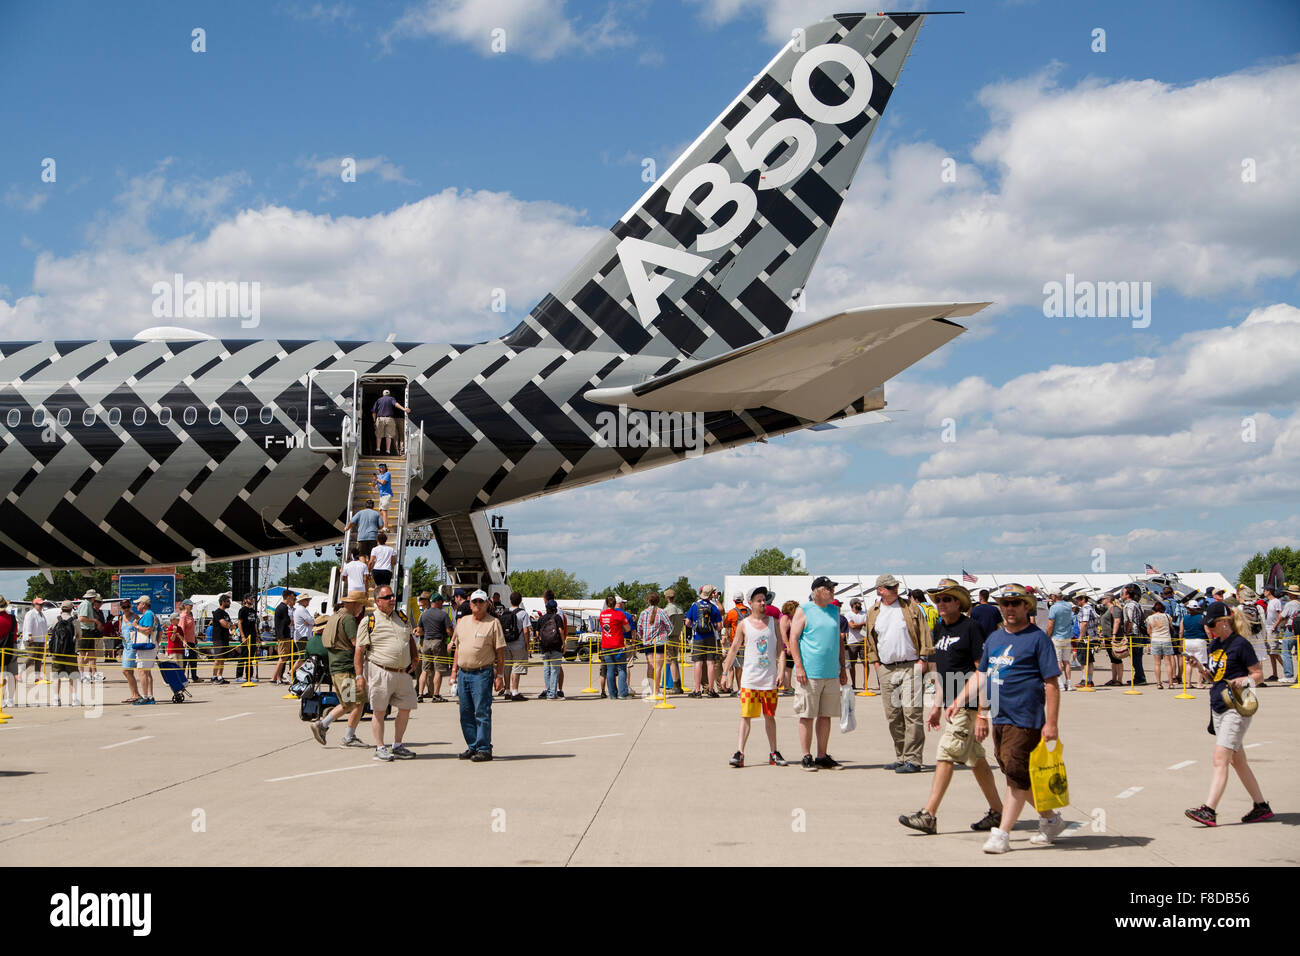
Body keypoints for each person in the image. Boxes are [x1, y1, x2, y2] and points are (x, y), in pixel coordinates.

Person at [948, 584, 1063, 854]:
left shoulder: (1038, 639)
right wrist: (963, 702)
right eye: (1006, 604)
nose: (1010, 608)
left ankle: (1002, 834)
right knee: (1017, 773)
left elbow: (1051, 683)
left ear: (1026, 607)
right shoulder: (995, 639)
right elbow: (982, 676)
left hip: (1026, 717)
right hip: (1000, 715)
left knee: (1014, 776)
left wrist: (1052, 722)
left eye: (1015, 603)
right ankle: (1050, 819)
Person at [899, 579, 1002, 835]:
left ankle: (929, 815)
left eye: (947, 599)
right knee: (976, 760)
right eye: (938, 600)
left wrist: (982, 713)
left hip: (968, 706)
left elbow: (983, 671)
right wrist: (936, 705)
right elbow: (943, 672)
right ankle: (999, 812)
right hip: (952, 705)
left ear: (958, 602)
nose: (941, 604)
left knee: (945, 753)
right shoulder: (940, 629)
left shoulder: (972, 628)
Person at [1184, 602, 1273, 826]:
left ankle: (1209, 810)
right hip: (1218, 706)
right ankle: (1261, 807)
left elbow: (1258, 674)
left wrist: (1244, 680)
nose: (1210, 629)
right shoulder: (1215, 644)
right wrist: (1198, 667)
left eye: (1213, 624)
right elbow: (1213, 677)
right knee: (1238, 761)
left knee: (1220, 758)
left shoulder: (1241, 644)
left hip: (1237, 708)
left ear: (1224, 622)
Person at [862, 573, 933, 773]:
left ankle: (914, 759)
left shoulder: (910, 608)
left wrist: (923, 660)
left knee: (912, 713)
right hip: (886, 668)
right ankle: (901, 757)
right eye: (890, 587)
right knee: (893, 715)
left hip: (910, 665)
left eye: (896, 586)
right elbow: (870, 639)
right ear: (880, 590)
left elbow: (924, 633)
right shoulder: (874, 612)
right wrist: (875, 663)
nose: (895, 589)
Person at [720, 586, 787, 767]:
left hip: (769, 679)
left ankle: (774, 752)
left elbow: (781, 649)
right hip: (750, 679)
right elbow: (734, 649)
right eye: (758, 600)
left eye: (764, 599)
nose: (763, 603)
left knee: (770, 716)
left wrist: (781, 672)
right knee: (746, 716)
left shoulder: (774, 623)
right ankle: (740, 753)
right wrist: (725, 673)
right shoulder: (744, 624)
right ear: (750, 603)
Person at [787, 575, 848, 771]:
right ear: (818, 591)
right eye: (829, 588)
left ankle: (822, 755)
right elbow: (793, 639)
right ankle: (806, 755)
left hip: (830, 672)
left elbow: (838, 640)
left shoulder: (834, 610)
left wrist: (843, 667)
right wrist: (799, 666)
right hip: (810, 672)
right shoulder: (803, 610)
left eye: (833, 588)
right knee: (807, 714)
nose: (832, 591)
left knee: (826, 715)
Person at [355, 585, 419, 762]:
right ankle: (380, 747)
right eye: (388, 597)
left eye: (393, 596)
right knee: (379, 711)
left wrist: (415, 657)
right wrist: (359, 676)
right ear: (378, 601)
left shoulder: (402, 617)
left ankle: (397, 745)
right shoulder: (369, 621)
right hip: (380, 671)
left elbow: (409, 638)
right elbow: (359, 650)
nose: (392, 599)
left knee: (406, 708)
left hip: (403, 673)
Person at [450, 590, 506, 760]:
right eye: (474, 601)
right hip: (463, 673)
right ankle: (472, 745)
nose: (477, 604)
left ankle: (484, 748)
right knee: (465, 712)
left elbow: (500, 652)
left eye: (481, 601)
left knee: (481, 712)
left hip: (482, 674)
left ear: (487, 604)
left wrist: (500, 676)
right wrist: (453, 672)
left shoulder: (493, 623)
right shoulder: (463, 622)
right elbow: (458, 649)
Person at [311, 591, 370, 748]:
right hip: (347, 667)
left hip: (336, 667)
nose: (361, 608)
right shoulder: (349, 619)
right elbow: (355, 642)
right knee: (357, 702)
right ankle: (345, 735)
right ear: (354, 604)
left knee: (348, 703)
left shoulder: (334, 617)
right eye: (360, 604)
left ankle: (325, 725)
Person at [685, 585, 722, 698]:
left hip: (698, 637)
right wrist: (713, 628)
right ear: (711, 595)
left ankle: (697, 690)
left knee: (698, 663)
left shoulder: (694, 606)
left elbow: (687, 622)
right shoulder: (713, 607)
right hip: (710, 637)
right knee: (710, 663)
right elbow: (720, 626)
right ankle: (711, 690)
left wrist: (695, 627)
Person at [415, 592, 453, 702]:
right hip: (438, 642)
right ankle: (436, 695)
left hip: (426, 642)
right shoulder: (443, 614)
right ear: (437, 602)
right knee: (438, 670)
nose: (442, 604)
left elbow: (420, 631)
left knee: (425, 670)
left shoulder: (424, 614)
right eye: (441, 602)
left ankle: (420, 694)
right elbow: (449, 631)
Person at [638, 591, 673, 696]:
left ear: (648, 601)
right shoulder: (662, 612)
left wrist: (642, 637)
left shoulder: (643, 613)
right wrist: (665, 633)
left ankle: (650, 689)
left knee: (650, 666)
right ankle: (656, 691)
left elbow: (639, 627)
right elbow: (670, 627)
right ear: (658, 601)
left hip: (647, 643)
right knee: (658, 667)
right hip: (660, 642)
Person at [49, 601, 82, 706]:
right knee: (73, 676)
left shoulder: (56, 620)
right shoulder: (75, 621)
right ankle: (74, 699)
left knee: (56, 676)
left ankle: (55, 698)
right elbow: (79, 636)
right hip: (70, 653)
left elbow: (51, 632)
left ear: (61, 609)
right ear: (71, 609)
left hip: (57, 653)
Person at [501, 590, 531, 702]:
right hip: (519, 644)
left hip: (506, 644)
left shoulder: (505, 612)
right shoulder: (523, 614)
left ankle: (507, 690)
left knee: (507, 667)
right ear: (520, 601)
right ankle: (515, 691)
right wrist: (527, 644)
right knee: (517, 667)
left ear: (510, 600)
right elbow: (526, 630)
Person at [598, 594, 630, 700]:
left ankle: (612, 694)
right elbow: (627, 628)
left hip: (606, 645)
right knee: (621, 669)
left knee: (610, 669)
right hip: (618, 645)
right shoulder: (620, 614)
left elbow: (603, 626)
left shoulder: (602, 615)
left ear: (606, 603)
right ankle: (622, 693)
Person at [536, 598, 567, 700]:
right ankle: (552, 694)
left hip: (544, 647)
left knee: (546, 670)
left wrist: (542, 640)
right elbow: (560, 630)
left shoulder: (541, 618)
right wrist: (563, 643)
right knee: (554, 670)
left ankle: (549, 691)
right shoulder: (557, 618)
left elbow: (537, 633)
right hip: (555, 646)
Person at [131, 595, 158, 706]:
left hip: (145, 646)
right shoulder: (151, 614)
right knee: (146, 672)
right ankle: (149, 695)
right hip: (149, 646)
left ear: (144, 604)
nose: (136, 605)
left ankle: (146, 696)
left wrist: (136, 626)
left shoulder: (147, 615)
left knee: (142, 671)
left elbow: (148, 630)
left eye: (138, 603)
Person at [1045, 590, 1074, 691]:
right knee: (1067, 661)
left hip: (1057, 636)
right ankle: (1069, 683)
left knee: (1058, 661)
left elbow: (1050, 623)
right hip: (1067, 635)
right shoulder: (1068, 606)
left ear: (1055, 596)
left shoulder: (1054, 607)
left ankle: (1060, 683)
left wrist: (1047, 635)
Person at [1147, 600, 1177, 689]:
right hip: (1166, 640)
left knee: (1157, 663)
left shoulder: (1150, 618)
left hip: (1155, 640)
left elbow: (1149, 631)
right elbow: (1171, 627)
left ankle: (1159, 683)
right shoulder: (1167, 616)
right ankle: (1171, 683)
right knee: (1168, 663)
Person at [723, 592, 748, 697]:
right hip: (748, 642)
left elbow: (726, 624)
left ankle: (740, 689)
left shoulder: (732, 613)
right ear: (743, 600)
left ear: (734, 601)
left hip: (737, 643)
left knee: (738, 667)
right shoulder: (750, 611)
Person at [1121, 584, 1147, 685]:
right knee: (1137, 657)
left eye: (1123, 594)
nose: (1121, 596)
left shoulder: (1129, 605)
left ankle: (1140, 678)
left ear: (1127, 595)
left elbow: (1129, 621)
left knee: (1136, 657)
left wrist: (1125, 634)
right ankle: (1139, 676)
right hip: (1139, 634)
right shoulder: (1136, 604)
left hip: (1134, 634)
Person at [1262, 587, 1289, 682]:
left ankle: (1288, 672)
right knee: (1271, 653)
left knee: (1275, 652)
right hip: (1268, 628)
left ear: (1269, 591)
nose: (1264, 592)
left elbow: (1280, 615)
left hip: (1273, 629)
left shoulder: (1276, 601)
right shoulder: (1269, 602)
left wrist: (1275, 626)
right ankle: (1275, 674)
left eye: (1265, 590)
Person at [372, 388, 410, 455]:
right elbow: (396, 404)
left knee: (379, 435)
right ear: (389, 394)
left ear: (382, 394)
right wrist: (404, 409)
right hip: (389, 419)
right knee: (389, 435)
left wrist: (374, 421)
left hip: (380, 419)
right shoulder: (391, 399)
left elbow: (374, 412)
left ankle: (378, 449)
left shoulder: (378, 400)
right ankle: (388, 450)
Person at [75, 589, 102, 685]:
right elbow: (82, 618)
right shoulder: (85, 605)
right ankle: (81, 674)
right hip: (84, 631)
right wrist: (95, 621)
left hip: (88, 631)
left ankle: (94, 674)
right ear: (92, 597)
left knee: (92, 654)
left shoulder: (88, 605)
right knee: (82, 654)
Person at [661, 587, 685, 693]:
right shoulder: (680, 609)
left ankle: (676, 686)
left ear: (666, 597)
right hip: (677, 637)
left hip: (669, 638)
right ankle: (677, 683)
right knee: (674, 660)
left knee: (671, 661)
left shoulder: (666, 610)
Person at [21, 597, 50, 685]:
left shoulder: (42, 614)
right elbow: (28, 625)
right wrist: (29, 635)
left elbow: (44, 626)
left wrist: (46, 638)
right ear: (34, 605)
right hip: (31, 639)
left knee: (39, 659)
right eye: (39, 604)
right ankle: (19, 672)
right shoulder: (30, 613)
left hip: (40, 639)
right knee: (32, 656)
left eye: (42, 604)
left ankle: (37, 677)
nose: (41, 606)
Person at [1098, 594, 1126, 686]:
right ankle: (1114, 679)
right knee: (1112, 659)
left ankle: (1119, 680)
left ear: (1108, 599)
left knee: (1117, 658)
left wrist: (1114, 634)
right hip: (1107, 637)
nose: (1102, 600)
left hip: (1114, 636)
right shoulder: (1107, 610)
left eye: (1103, 599)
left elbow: (1117, 621)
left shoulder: (1115, 609)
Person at [270, 589, 296, 684]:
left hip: (281, 635)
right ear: (288, 597)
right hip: (283, 635)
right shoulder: (284, 608)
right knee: (283, 657)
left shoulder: (280, 607)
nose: (292, 600)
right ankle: (273, 677)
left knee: (283, 656)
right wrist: (293, 621)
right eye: (292, 598)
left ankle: (278, 677)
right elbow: (287, 621)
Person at [209, 594, 235, 684]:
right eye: (228, 601)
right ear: (223, 602)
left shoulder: (226, 613)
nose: (230, 603)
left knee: (223, 658)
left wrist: (231, 626)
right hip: (218, 638)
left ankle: (220, 676)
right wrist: (231, 626)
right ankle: (214, 676)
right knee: (218, 658)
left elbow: (232, 624)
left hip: (225, 638)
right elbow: (224, 624)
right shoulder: (218, 612)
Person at [1074, 594, 1098, 687]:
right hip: (1090, 637)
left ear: (1083, 599)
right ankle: (1089, 680)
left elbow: (1084, 623)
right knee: (1089, 659)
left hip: (1086, 638)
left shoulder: (1086, 608)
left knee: (1083, 659)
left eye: (1078, 599)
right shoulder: (1088, 608)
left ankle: (1086, 680)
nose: (1077, 601)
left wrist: (1081, 636)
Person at [235, 593, 260, 683]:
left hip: (252, 636)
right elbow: (239, 623)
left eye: (252, 598)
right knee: (243, 655)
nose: (252, 600)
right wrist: (242, 636)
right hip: (245, 636)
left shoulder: (253, 611)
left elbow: (254, 624)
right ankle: (239, 675)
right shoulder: (242, 610)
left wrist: (257, 636)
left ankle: (249, 675)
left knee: (251, 656)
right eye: (250, 598)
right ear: (246, 599)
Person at [845, 598, 867, 690]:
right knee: (852, 664)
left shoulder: (864, 613)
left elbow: (867, 626)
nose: (860, 605)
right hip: (852, 641)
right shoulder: (848, 614)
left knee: (865, 663)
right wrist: (863, 624)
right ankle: (854, 684)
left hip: (863, 641)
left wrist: (859, 625)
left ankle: (865, 684)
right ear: (853, 604)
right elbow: (852, 626)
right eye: (858, 603)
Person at [0, 596, 17, 708]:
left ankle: (1, 699)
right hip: (11, 647)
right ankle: (10, 699)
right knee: (11, 675)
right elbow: (15, 633)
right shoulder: (12, 618)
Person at [178, 599, 200, 682]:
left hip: (192, 641)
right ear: (185, 605)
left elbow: (192, 629)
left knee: (193, 660)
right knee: (185, 660)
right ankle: (182, 678)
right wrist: (184, 641)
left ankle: (194, 676)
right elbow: (181, 630)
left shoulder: (190, 615)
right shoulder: (183, 616)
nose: (192, 606)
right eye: (190, 605)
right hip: (185, 641)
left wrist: (195, 638)